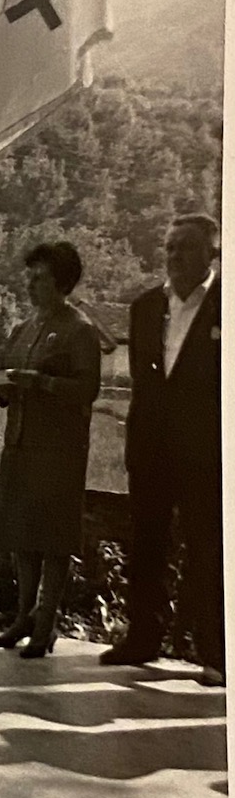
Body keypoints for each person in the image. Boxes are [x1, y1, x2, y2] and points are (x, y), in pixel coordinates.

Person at [100, 214, 223, 685]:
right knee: (147, 544)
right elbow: (147, 387)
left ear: (213, 254)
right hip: (151, 449)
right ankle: (142, 637)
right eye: (169, 247)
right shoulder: (148, 306)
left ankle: (214, 650)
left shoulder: (226, 306)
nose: (174, 257)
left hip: (205, 454)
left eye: (186, 248)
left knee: (207, 550)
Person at [0, 242, 101, 658]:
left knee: (53, 540)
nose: (31, 284)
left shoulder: (80, 330)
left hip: (59, 450)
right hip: (20, 443)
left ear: (63, 282)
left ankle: (46, 622)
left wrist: (42, 383)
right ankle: (22, 617)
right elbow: (9, 374)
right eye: (29, 276)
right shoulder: (24, 328)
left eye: (41, 278)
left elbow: (87, 389)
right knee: (22, 535)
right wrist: (3, 384)